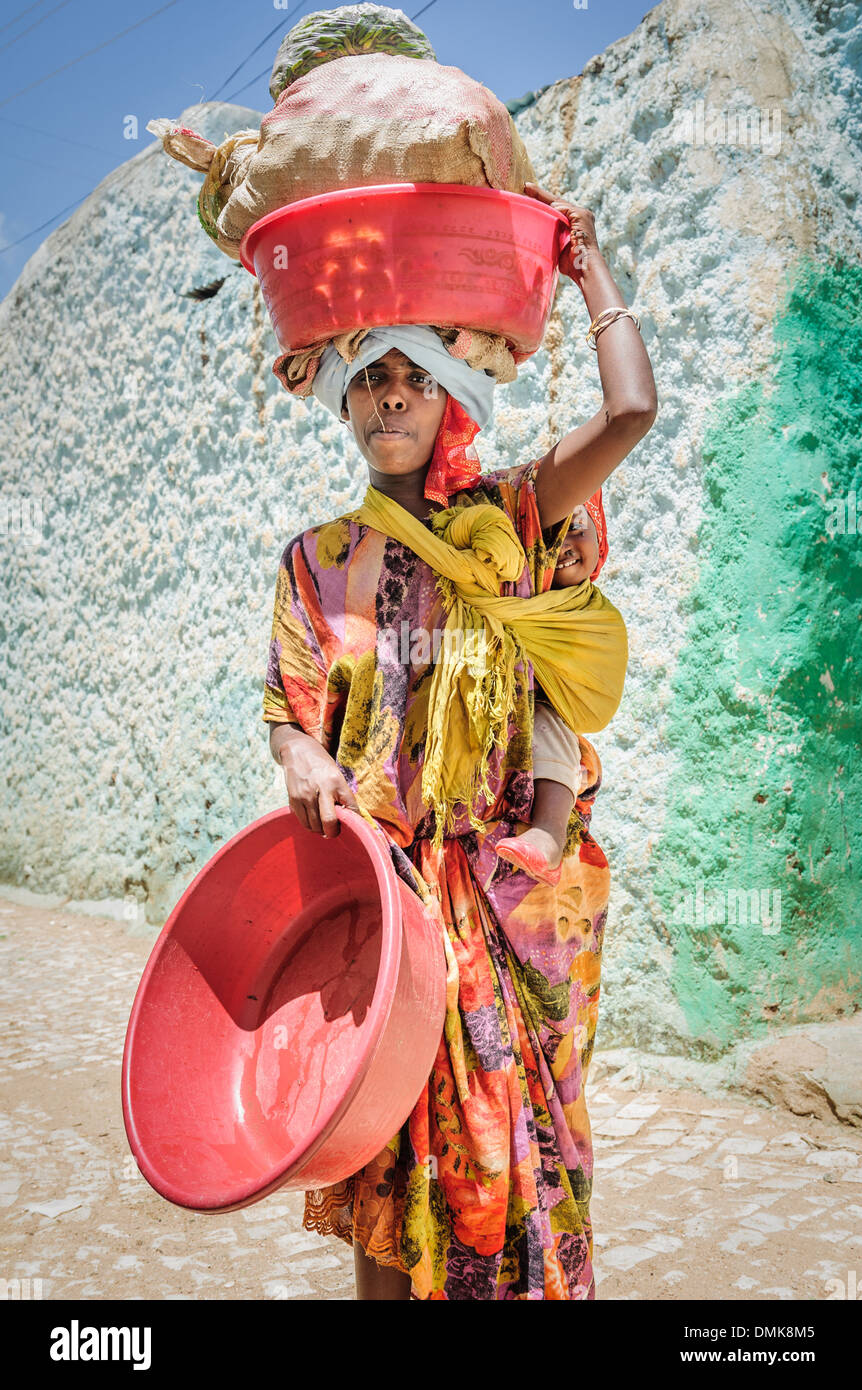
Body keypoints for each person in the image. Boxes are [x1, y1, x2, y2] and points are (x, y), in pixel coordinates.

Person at [263, 183, 657, 1299]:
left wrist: (588, 271)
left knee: (496, 1180)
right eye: (371, 378)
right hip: (389, 917)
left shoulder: (517, 516)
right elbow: (292, 716)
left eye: (414, 377)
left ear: (451, 400)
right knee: (386, 1190)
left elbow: (631, 413)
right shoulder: (314, 562)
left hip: (500, 898)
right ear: (345, 401)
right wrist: (302, 759)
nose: (392, 396)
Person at [495, 499, 609, 888]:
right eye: (548, 537)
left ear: (601, 540)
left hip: (549, 727)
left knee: (548, 725)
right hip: (502, 723)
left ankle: (548, 834)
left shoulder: (593, 615)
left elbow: (587, 686)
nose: (561, 546)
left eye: (577, 530)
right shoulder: (514, 598)